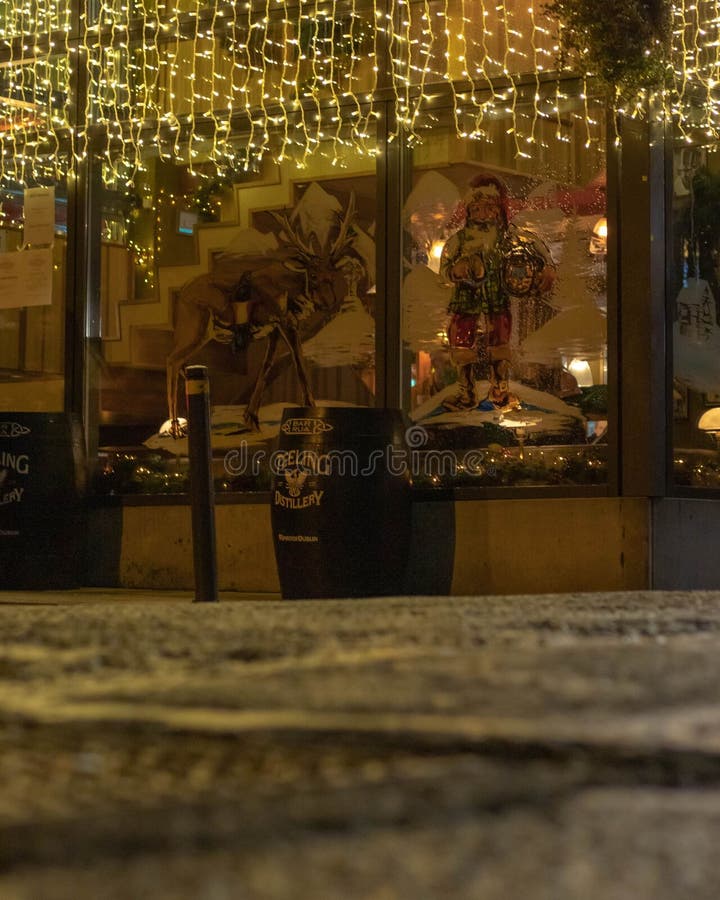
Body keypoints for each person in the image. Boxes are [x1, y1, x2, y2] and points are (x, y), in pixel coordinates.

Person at [439, 174, 556, 411]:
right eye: (477, 209)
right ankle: (466, 392)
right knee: (462, 346)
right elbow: (444, 270)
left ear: (498, 211)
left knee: (500, 344)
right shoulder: (458, 241)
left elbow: (535, 244)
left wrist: (548, 267)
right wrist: (456, 271)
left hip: (497, 298)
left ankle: (500, 390)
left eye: (489, 208)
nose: (483, 214)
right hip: (466, 301)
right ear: (469, 212)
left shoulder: (508, 237)